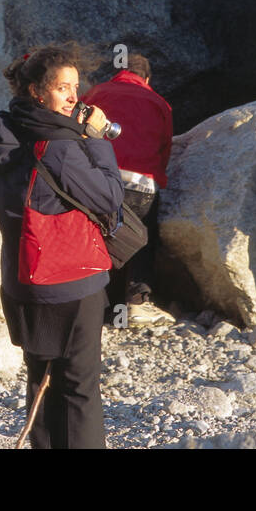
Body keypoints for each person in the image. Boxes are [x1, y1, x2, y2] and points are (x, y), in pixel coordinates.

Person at [0, 45, 123, 449]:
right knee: (78, 388)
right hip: (72, 283)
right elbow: (111, 196)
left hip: (23, 281)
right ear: (38, 93)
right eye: (64, 88)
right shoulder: (59, 147)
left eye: (76, 87)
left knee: (41, 382)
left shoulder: (3, 136)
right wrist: (96, 140)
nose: (75, 97)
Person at [84, 54, 173, 326]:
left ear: (116, 73)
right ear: (146, 79)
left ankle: (91, 304)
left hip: (99, 179)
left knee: (95, 237)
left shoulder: (97, 92)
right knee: (142, 240)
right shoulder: (159, 103)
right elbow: (164, 148)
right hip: (140, 184)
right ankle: (137, 303)